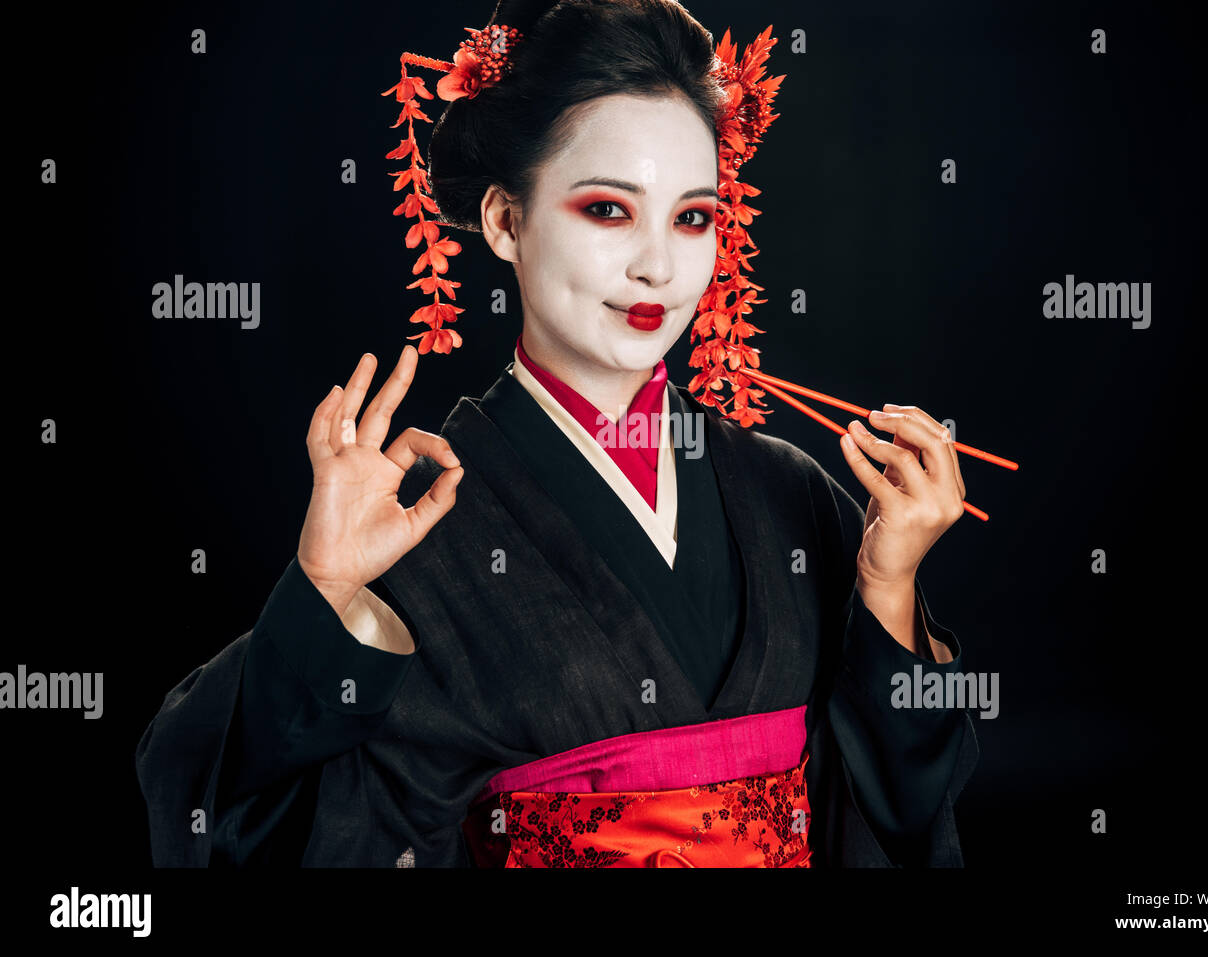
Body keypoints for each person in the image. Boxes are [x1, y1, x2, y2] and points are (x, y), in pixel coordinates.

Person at [135, 0, 978, 868]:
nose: (658, 265)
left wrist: (888, 585)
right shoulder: (418, 530)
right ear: (505, 220)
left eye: (692, 217)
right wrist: (325, 597)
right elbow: (242, 825)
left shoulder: (793, 494)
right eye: (609, 210)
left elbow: (904, 807)